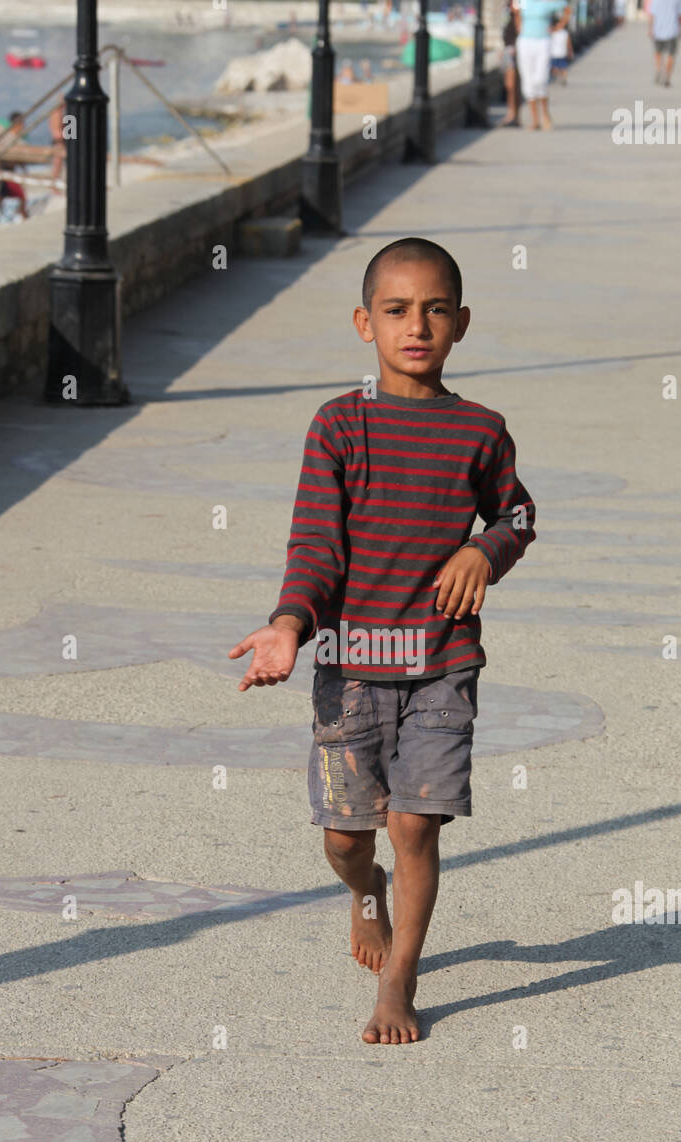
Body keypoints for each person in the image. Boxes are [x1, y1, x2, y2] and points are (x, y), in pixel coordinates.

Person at [229, 238, 536, 1045]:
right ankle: (365, 895)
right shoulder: (339, 424)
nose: (417, 325)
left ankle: (400, 979)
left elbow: (520, 514)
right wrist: (290, 625)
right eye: (397, 310)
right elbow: (315, 547)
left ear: (462, 322)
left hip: (442, 664)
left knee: (415, 826)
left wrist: (486, 549)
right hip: (350, 669)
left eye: (436, 309)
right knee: (346, 835)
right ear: (365, 323)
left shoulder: (479, 431)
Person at [515, 0, 570, 131]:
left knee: (541, 78)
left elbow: (567, 9)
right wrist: (519, 26)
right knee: (528, 80)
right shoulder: (523, 1)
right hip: (525, 41)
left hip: (543, 41)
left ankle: (545, 114)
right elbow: (516, 11)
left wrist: (559, 26)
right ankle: (535, 120)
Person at [647, 0, 681, 87]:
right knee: (671, 55)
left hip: (658, 29)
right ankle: (667, 76)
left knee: (658, 52)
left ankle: (659, 69)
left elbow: (652, 14)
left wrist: (650, 29)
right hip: (672, 30)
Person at [499, 3, 521, 126]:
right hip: (508, 48)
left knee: (512, 85)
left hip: (514, 49)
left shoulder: (518, 9)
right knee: (510, 85)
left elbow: (520, 28)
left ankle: (513, 114)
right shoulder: (508, 9)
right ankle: (512, 113)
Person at [549, 12, 573, 83]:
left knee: (562, 67)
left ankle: (563, 78)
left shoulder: (564, 33)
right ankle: (561, 76)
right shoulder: (552, 32)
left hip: (561, 53)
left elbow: (569, 44)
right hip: (554, 53)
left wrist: (570, 51)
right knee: (555, 68)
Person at [48, 99, 66, 194]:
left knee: (58, 166)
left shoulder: (56, 113)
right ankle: (54, 187)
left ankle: (55, 187)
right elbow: (57, 133)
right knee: (57, 166)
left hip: (58, 142)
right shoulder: (57, 114)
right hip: (58, 142)